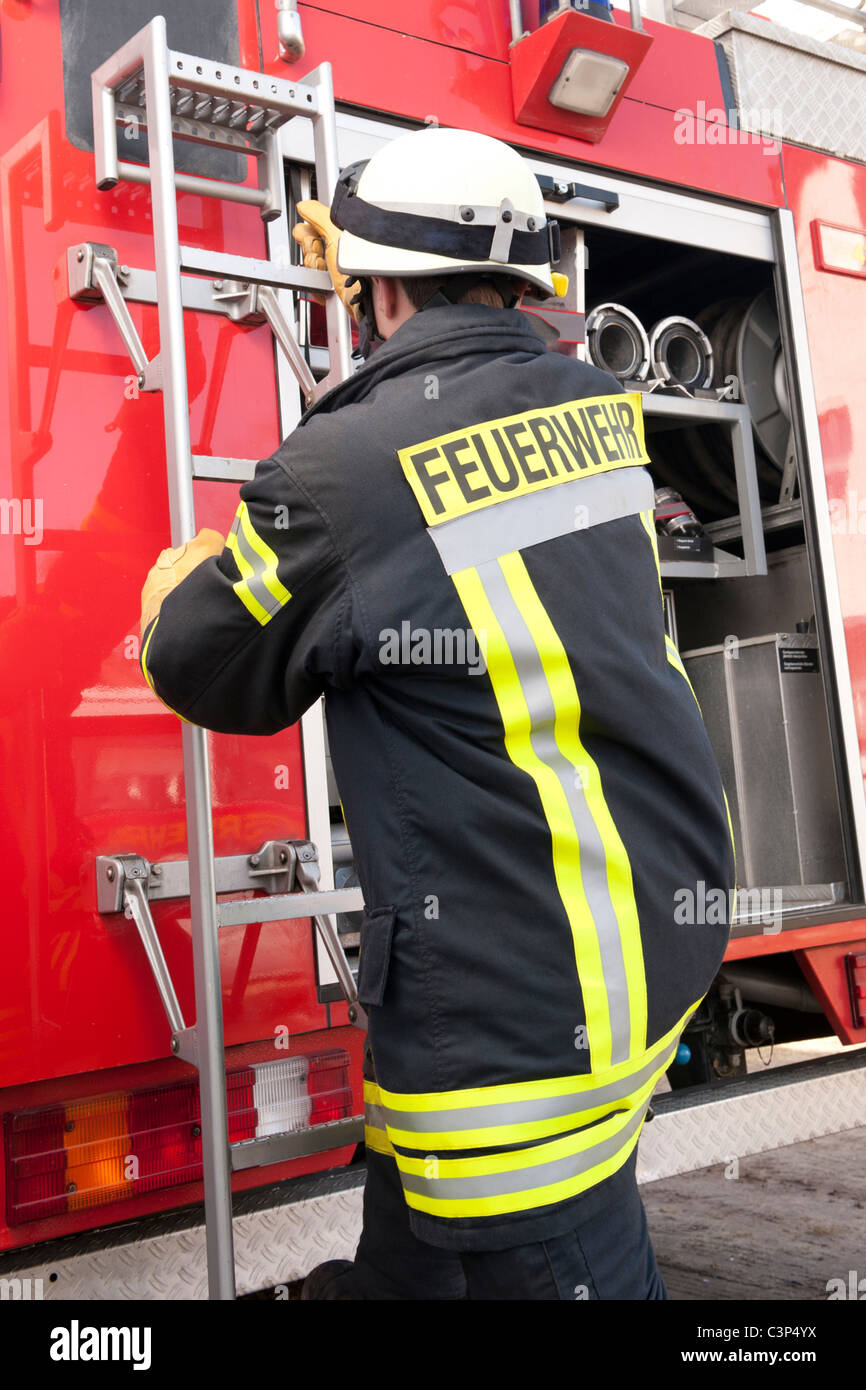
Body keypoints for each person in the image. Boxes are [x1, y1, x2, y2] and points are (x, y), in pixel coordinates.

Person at [139, 126, 735, 1300]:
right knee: (416, 1260)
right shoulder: (600, 407)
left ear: (373, 285)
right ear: (522, 280)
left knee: (545, 1250)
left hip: (516, 1032)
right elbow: (441, 470)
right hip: (631, 951)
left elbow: (202, 665)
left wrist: (180, 590)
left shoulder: (344, 470)